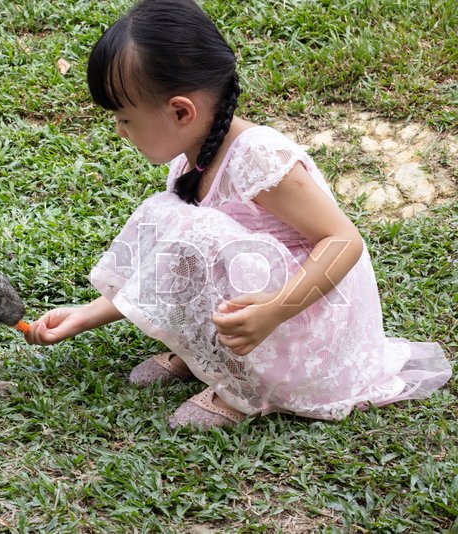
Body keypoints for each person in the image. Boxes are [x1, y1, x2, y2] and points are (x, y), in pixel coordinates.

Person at [23, 0, 451, 429]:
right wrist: (88, 313)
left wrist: (277, 310)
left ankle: (247, 387)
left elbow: (343, 241)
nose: (119, 131)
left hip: (303, 321)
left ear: (180, 111)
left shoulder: (259, 159)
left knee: (200, 229)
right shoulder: (191, 155)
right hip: (256, 299)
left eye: (125, 118)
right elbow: (177, 257)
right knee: (172, 217)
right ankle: (209, 355)